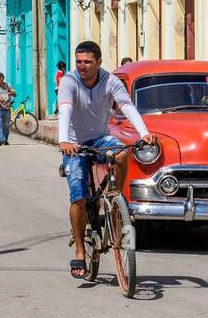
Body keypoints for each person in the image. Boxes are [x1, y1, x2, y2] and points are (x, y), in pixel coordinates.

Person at [57, 41, 157, 281]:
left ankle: (115, 197)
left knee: (122, 153)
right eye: (79, 61)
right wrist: (63, 140)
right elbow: (65, 110)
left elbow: (127, 106)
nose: (82, 66)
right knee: (79, 198)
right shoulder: (69, 81)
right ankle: (80, 250)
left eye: (87, 62)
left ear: (99, 63)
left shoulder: (110, 81)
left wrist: (144, 133)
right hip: (74, 144)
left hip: (100, 138)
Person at [0, 72, 14, 146]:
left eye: (1, 80)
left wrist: (12, 93)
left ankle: (5, 140)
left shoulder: (8, 85)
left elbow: (15, 94)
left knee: (6, 125)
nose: (0, 82)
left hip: (7, 108)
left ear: (3, 78)